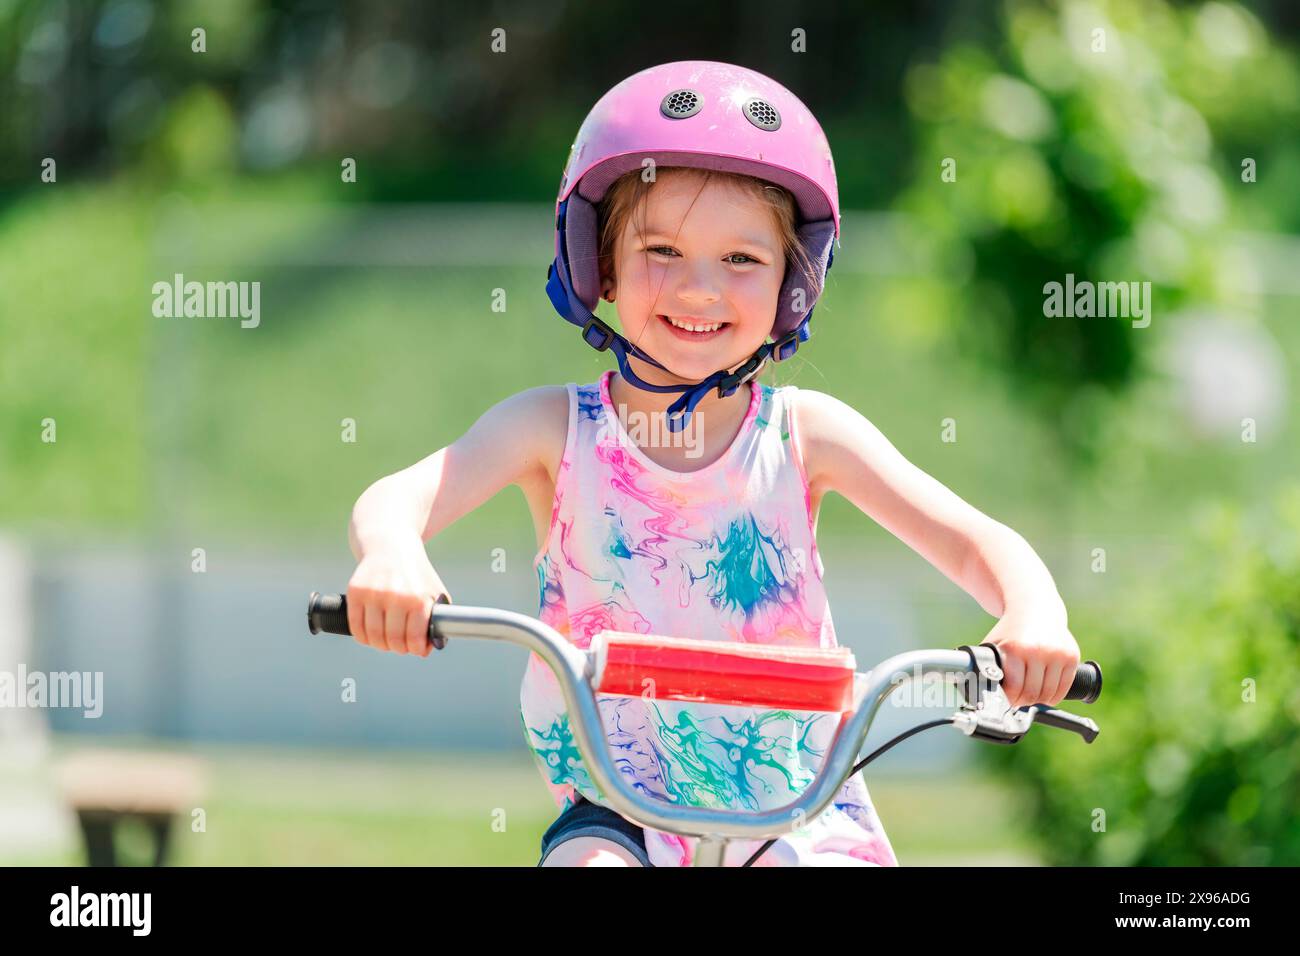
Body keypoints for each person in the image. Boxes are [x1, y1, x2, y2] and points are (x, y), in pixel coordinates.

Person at [344, 60, 1081, 867]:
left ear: (791, 287)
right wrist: (393, 555)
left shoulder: (808, 435)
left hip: (799, 804)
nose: (700, 290)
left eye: (741, 260)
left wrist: (1032, 614)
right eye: (662, 249)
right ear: (600, 265)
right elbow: (399, 497)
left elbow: (978, 542)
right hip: (618, 809)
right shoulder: (553, 430)